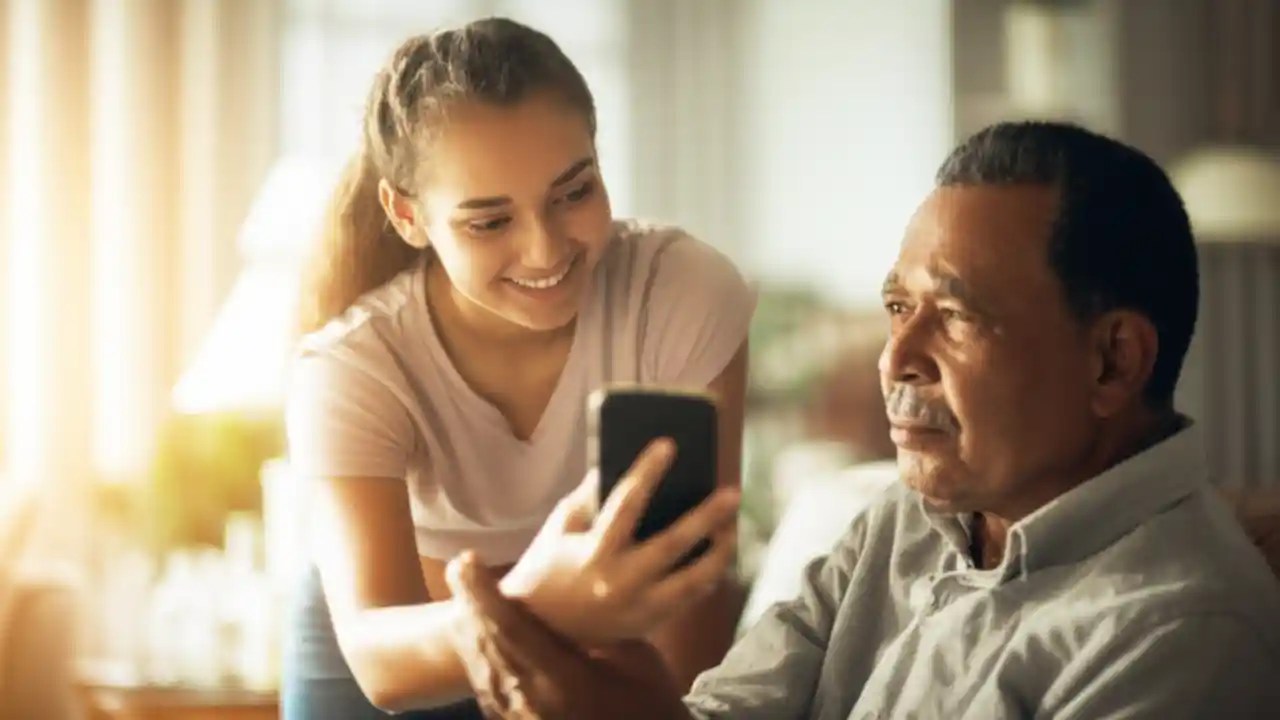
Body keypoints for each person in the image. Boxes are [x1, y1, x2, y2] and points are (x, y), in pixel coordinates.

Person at [445, 121, 1280, 719]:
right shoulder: (896, 522)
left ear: (1113, 361)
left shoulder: (1185, 634)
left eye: (953, 316)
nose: (895, 359)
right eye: (896, 307)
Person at [282, 17, 753, 719]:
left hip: (604, 656)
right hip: (412, 648)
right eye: (489, 222)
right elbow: (378, 661)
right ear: (407, 214)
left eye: (573, 192)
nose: (545, 252)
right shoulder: (352, 365)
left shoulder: (679, 294)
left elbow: (689, 610)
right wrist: (542, 604)